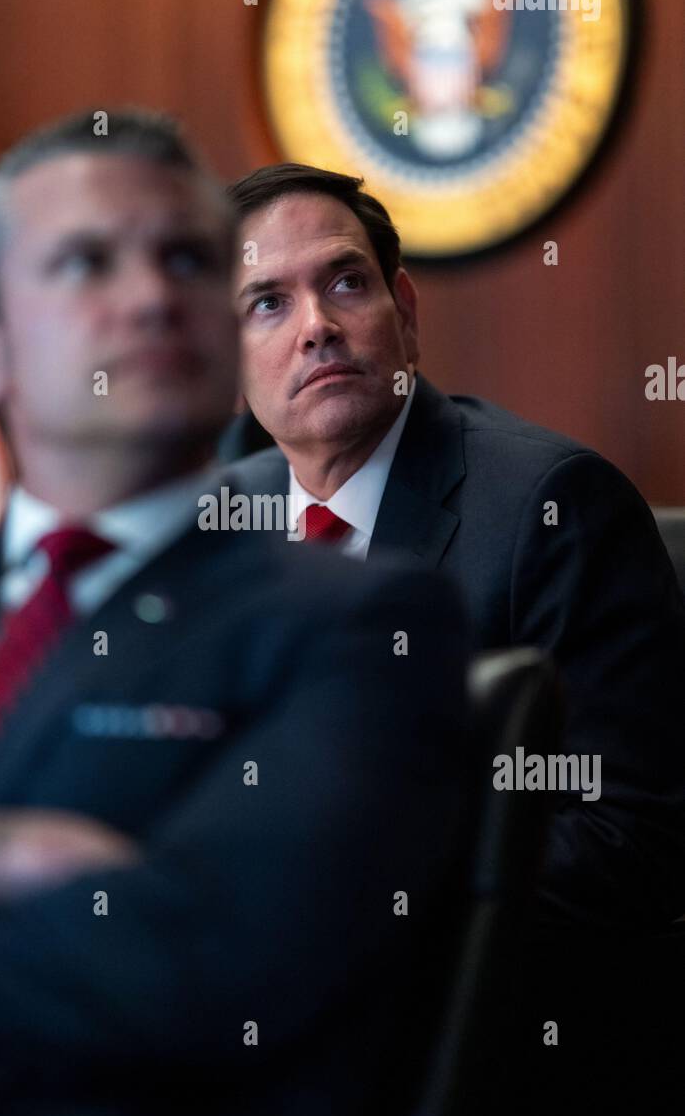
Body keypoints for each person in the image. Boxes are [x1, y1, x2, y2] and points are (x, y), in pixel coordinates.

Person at [0, 114, 469, 1116]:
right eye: (85, 261)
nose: (153, 296)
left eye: (185, 260)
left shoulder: (363, 623)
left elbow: (205, 968)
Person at [224, 162, 685, 931]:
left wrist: (366, 880)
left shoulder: (553, 508)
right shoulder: (216, 519)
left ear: (403, 311)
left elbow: (636, 834)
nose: (316, 326)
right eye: (268, 303)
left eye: (344, 283)